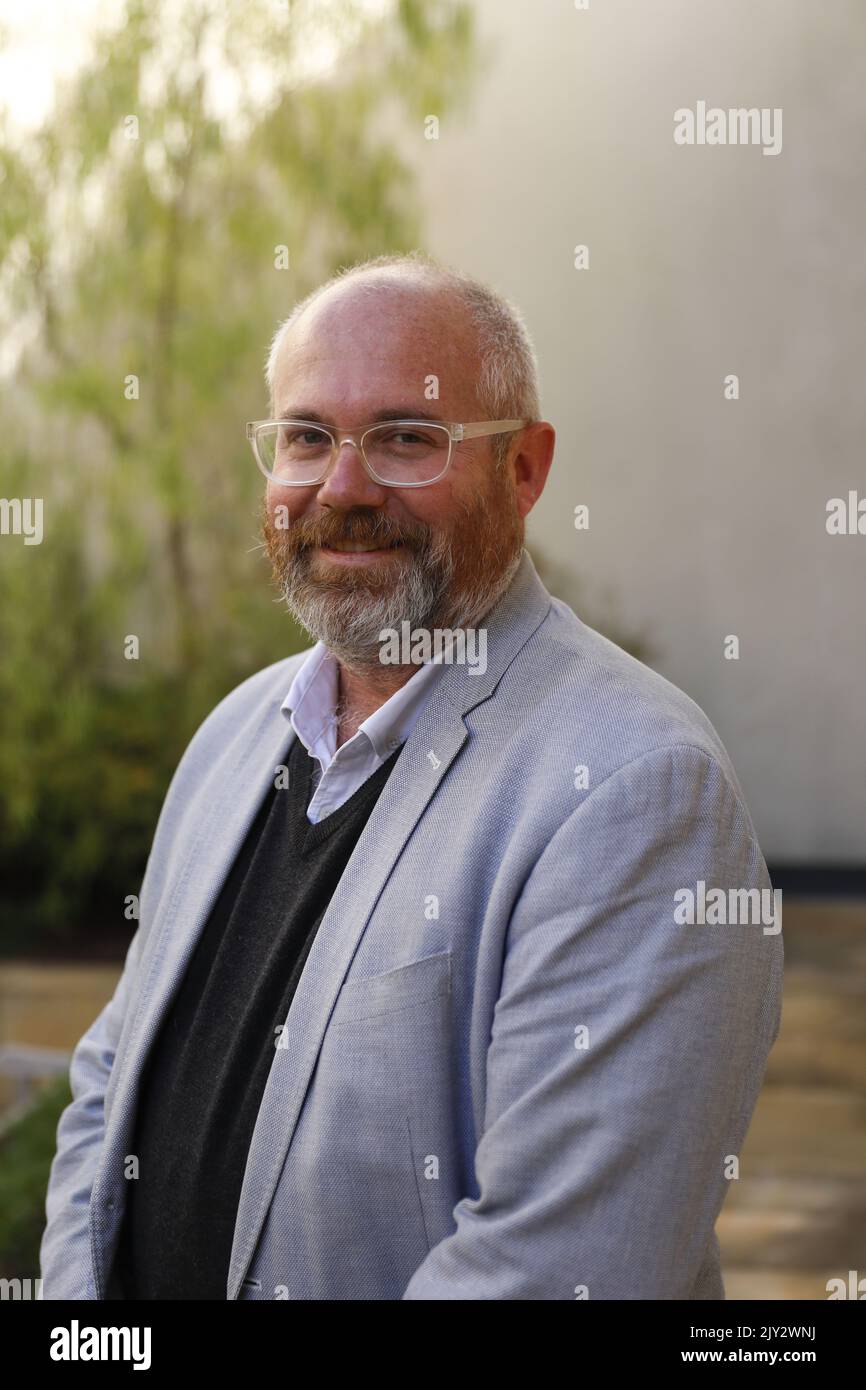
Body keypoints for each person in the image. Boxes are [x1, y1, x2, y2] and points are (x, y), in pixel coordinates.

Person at [40, 252, 783, 1300]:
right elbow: (109, 1082)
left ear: (523, 470)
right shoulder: (232, 737)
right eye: (306, 437)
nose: (341, 488)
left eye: (404, 437)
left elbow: (554, 1269)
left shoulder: (633, 790)